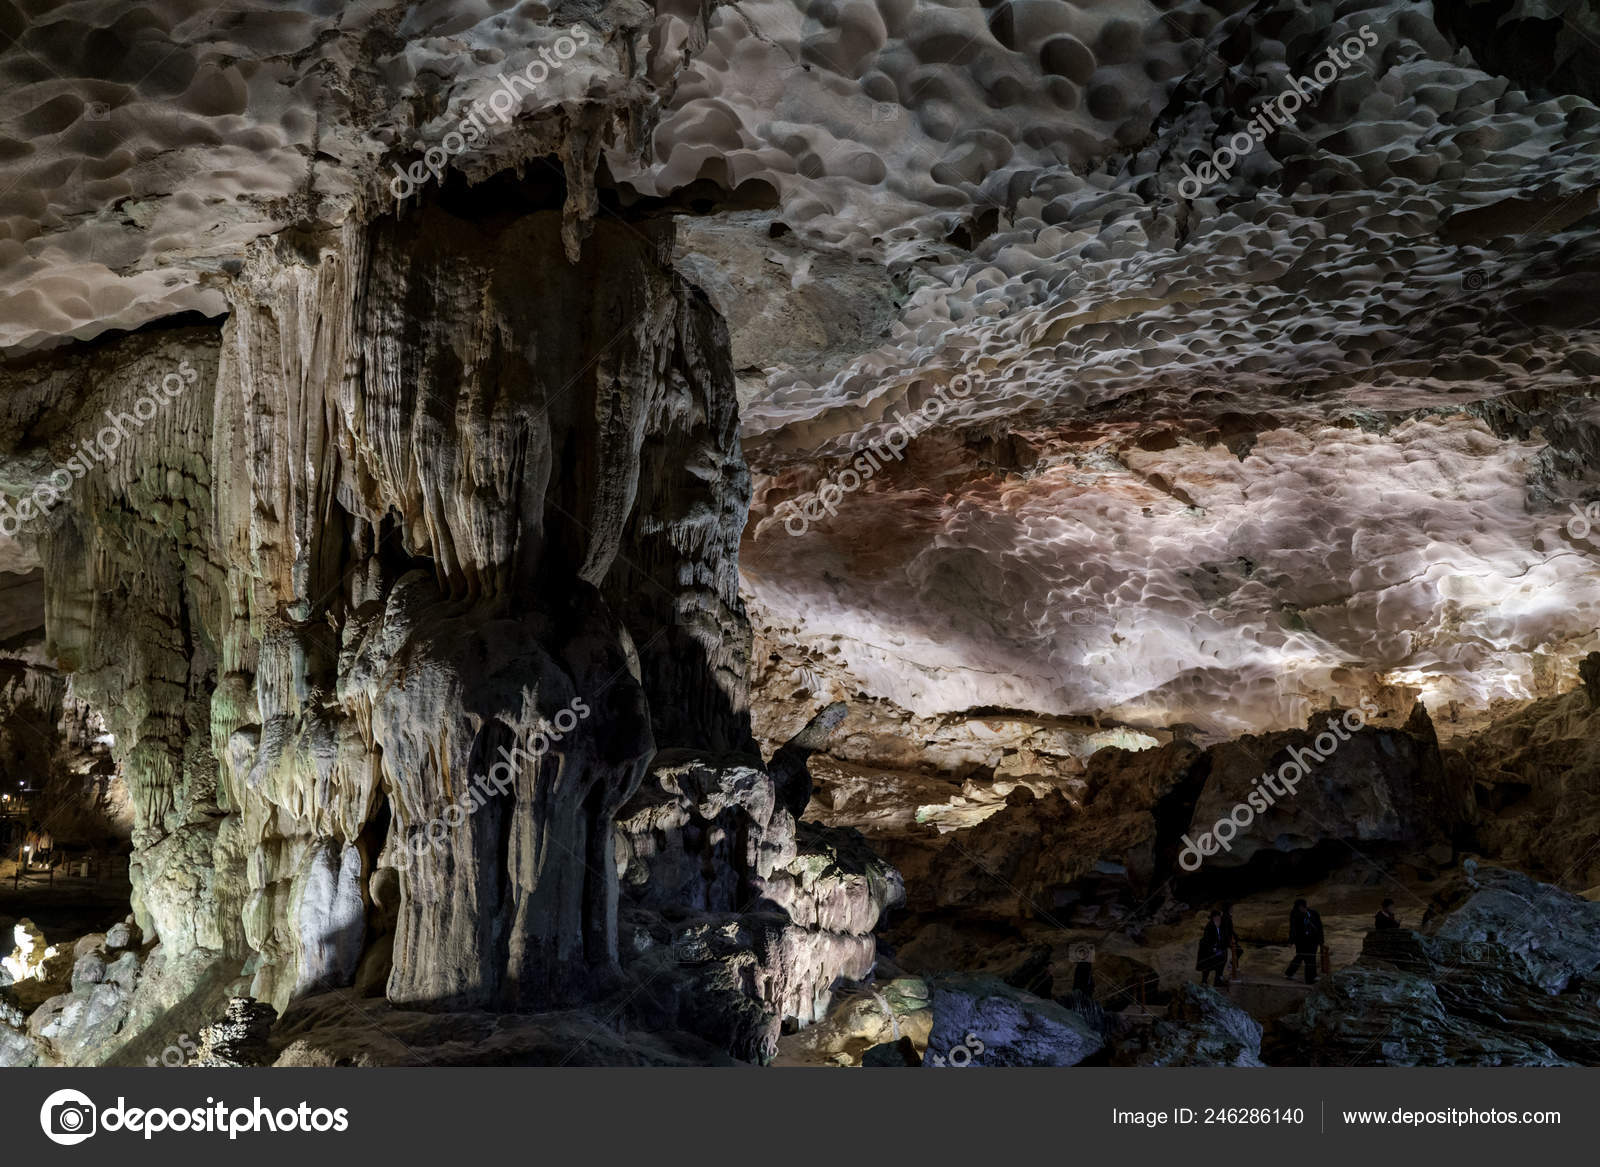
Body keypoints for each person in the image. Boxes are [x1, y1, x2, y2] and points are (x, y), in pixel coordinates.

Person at [1285, 898, 1322, 984]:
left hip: (1313, 939)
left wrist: (1321, 940)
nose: (1300, 908)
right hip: (1301, 940)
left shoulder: (1313, 913)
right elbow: (1293, 928)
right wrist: (1291, 941)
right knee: (1306, 957)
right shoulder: (1295, 914)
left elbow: (1319, 927)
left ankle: (1291, 973)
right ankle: (1310, 979)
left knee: (1307, 957)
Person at [1196, 910, 1227, 985]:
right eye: (1217, 917)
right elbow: (1207, 940)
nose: (1219, 919)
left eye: (1219, 917)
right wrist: (1214, 947)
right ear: (1213, 918)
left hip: (1216, 949)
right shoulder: (1209, 926)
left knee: (1222, 959)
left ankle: (1217, 980)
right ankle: (1204, 981)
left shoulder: (1220, 926)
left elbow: (1222, 938)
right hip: (1207, 950)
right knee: (1207, 965)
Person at [1219, 903, 1242, 983]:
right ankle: (1231, 965)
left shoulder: (1226, 916)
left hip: (1228, 938)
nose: (1233, 909)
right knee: (1239, 951)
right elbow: (1226, 930)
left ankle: (1234, 967)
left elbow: (1230, 929)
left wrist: (1235, 936)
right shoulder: (1226, 917)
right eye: (1231, 907)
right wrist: (1229, 940)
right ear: (1229, 908)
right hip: (1226, 939)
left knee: (1237, 951)